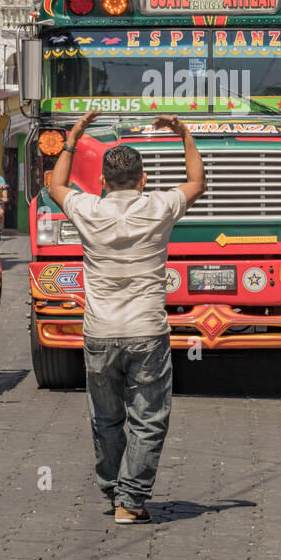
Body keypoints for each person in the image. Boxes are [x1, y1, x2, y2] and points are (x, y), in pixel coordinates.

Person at [47, 110, 206, 524]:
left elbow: (56, 184)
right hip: (147, 332)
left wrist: (74, 136)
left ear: (102, 182)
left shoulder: (87, 209)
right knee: (148, 418)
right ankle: (130, 500)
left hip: (99, 332)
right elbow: (196, 183)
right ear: (143, 180)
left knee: (107, 418)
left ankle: (117, 489)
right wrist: (184, 133)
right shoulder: (158, 207)